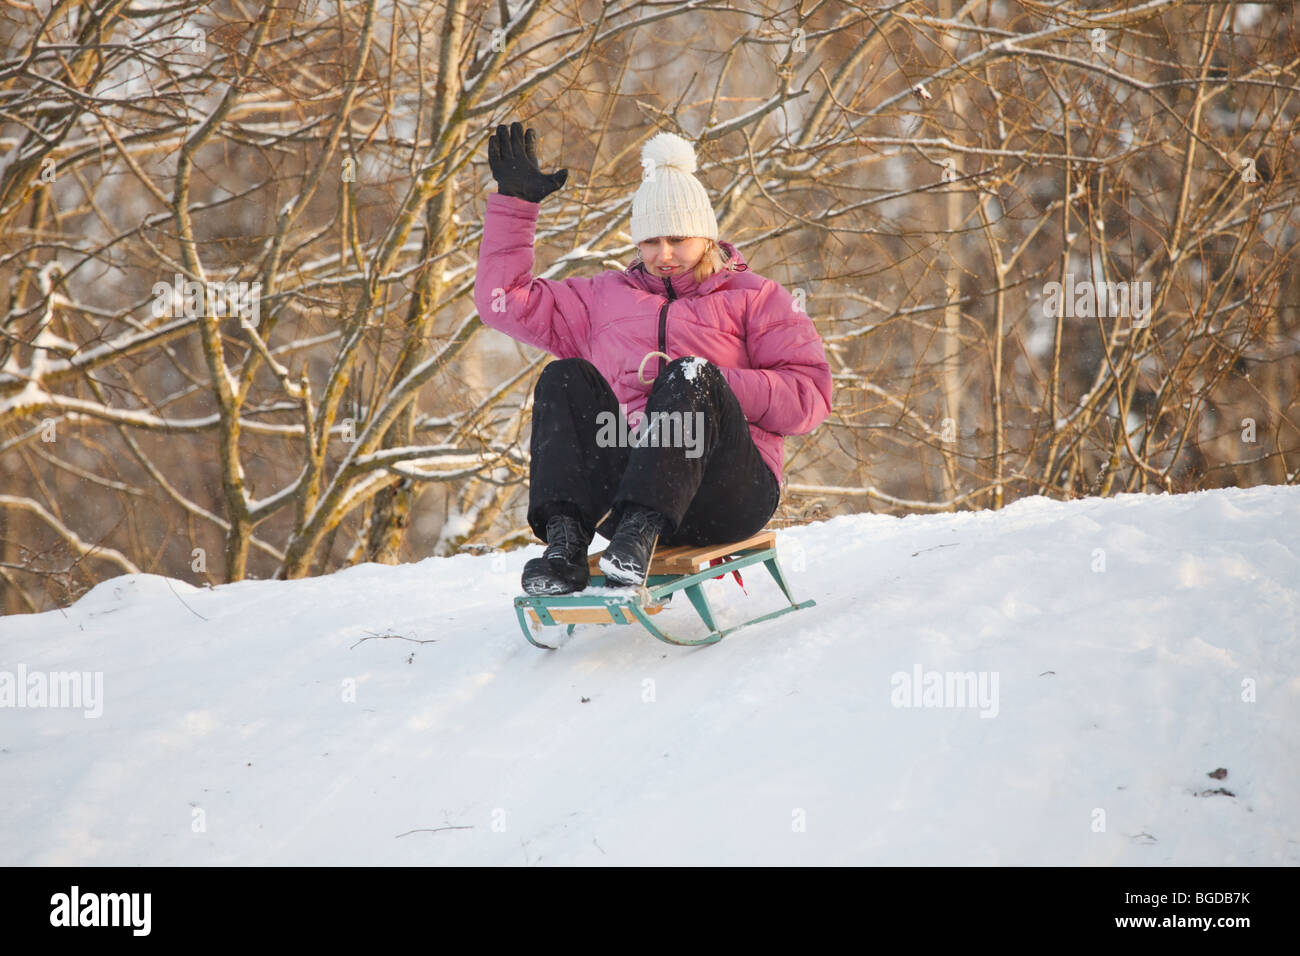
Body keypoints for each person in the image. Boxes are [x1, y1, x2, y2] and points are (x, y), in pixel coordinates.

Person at [474, 122, 832, 595]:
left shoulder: (756, 298)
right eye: (650, 241)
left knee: (691, 375)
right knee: (565, 377)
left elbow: (809, 400)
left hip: (727, 495)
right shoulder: (602, 298)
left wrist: (709, 384)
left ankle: (643, 529)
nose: (664, 255)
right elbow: (502, 301)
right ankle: (566, 543)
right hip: (619, 507)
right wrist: (516, 206)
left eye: (678, 239)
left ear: (705, 235)